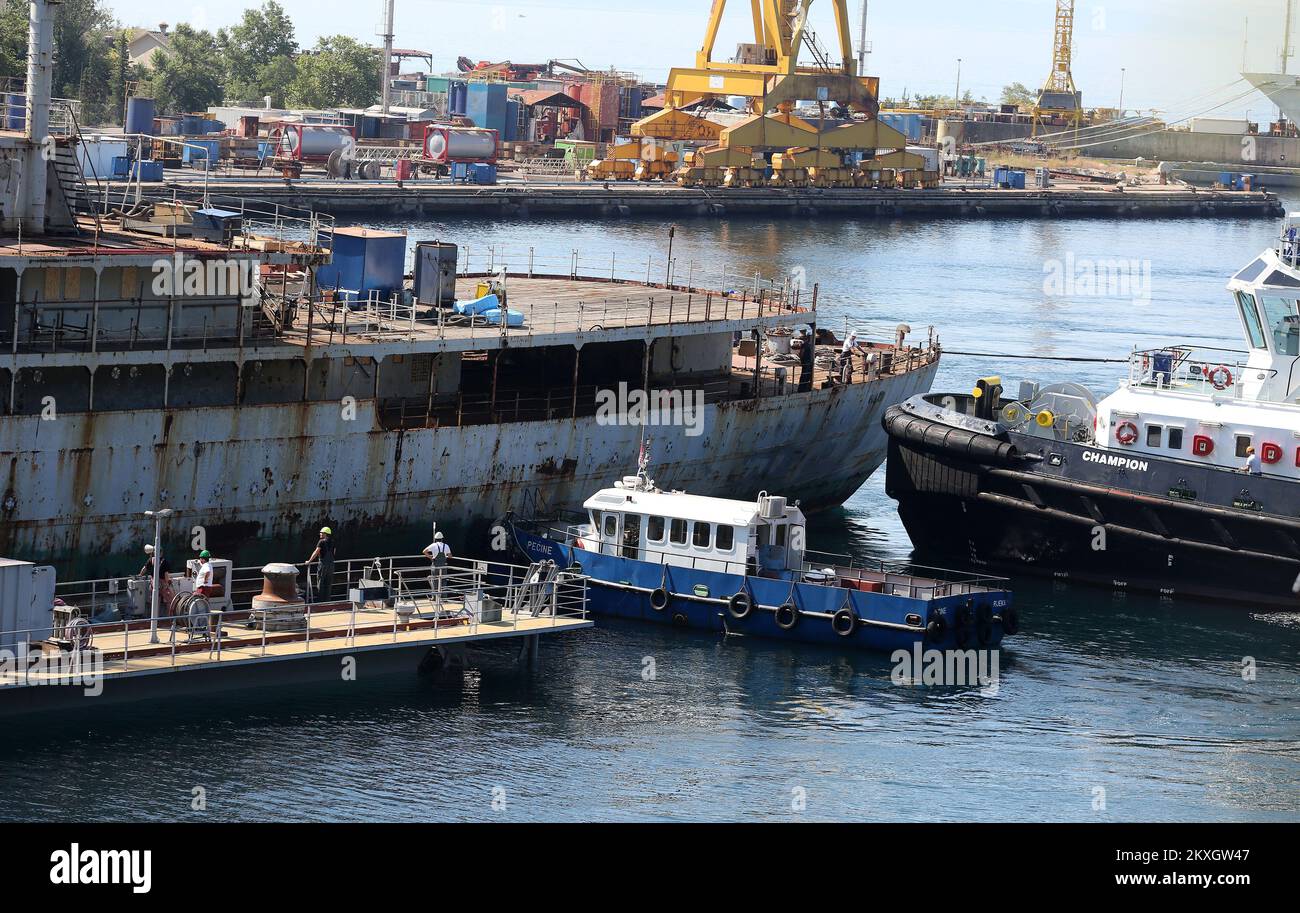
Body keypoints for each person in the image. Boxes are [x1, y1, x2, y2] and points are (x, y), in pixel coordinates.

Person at [139, 544, 174, 613]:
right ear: (161, 552)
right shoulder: (164, 562)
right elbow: (166, 575)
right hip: (163, 585)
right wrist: (168, 582)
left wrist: (140, 575)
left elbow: (144, 569)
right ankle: (170, 616)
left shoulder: (151, 560)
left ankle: (155, 616)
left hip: (153, 583)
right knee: (170, 600)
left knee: (155, 602)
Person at [306, 526, 336, 603]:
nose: (320, 534)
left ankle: (320, 601)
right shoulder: (333, 541)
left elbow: (316, 552)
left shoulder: (321, 542)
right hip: (331, 564)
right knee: (328, 583)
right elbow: (334, 552)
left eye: (321, 533)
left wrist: (309, 561)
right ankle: (327, 601)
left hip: (323, 564)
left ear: (325, 534)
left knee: (320, 582)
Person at [423, 531, 452, 600]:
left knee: (434, 580)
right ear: (442, 539)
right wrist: (446, 556)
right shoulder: (446, 546)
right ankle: (444, 597)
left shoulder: (433, 545)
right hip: (443, 566)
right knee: (443, 580)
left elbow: (424, 551)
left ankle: (434, 597)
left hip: (435, 565)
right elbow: (450, 556)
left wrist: (430, 557)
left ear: (435, 539)